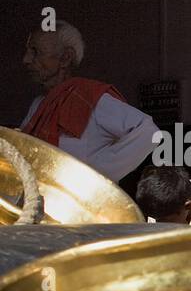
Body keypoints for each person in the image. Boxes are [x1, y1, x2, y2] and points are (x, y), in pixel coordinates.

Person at [20, 19, 157, 182]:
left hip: (87, 204)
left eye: (35, 52)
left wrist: (94, 175)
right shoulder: (38, 105)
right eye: (28, 51)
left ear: (65, 58)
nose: (26, 59)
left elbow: (149, 133)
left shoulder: (91, 99)